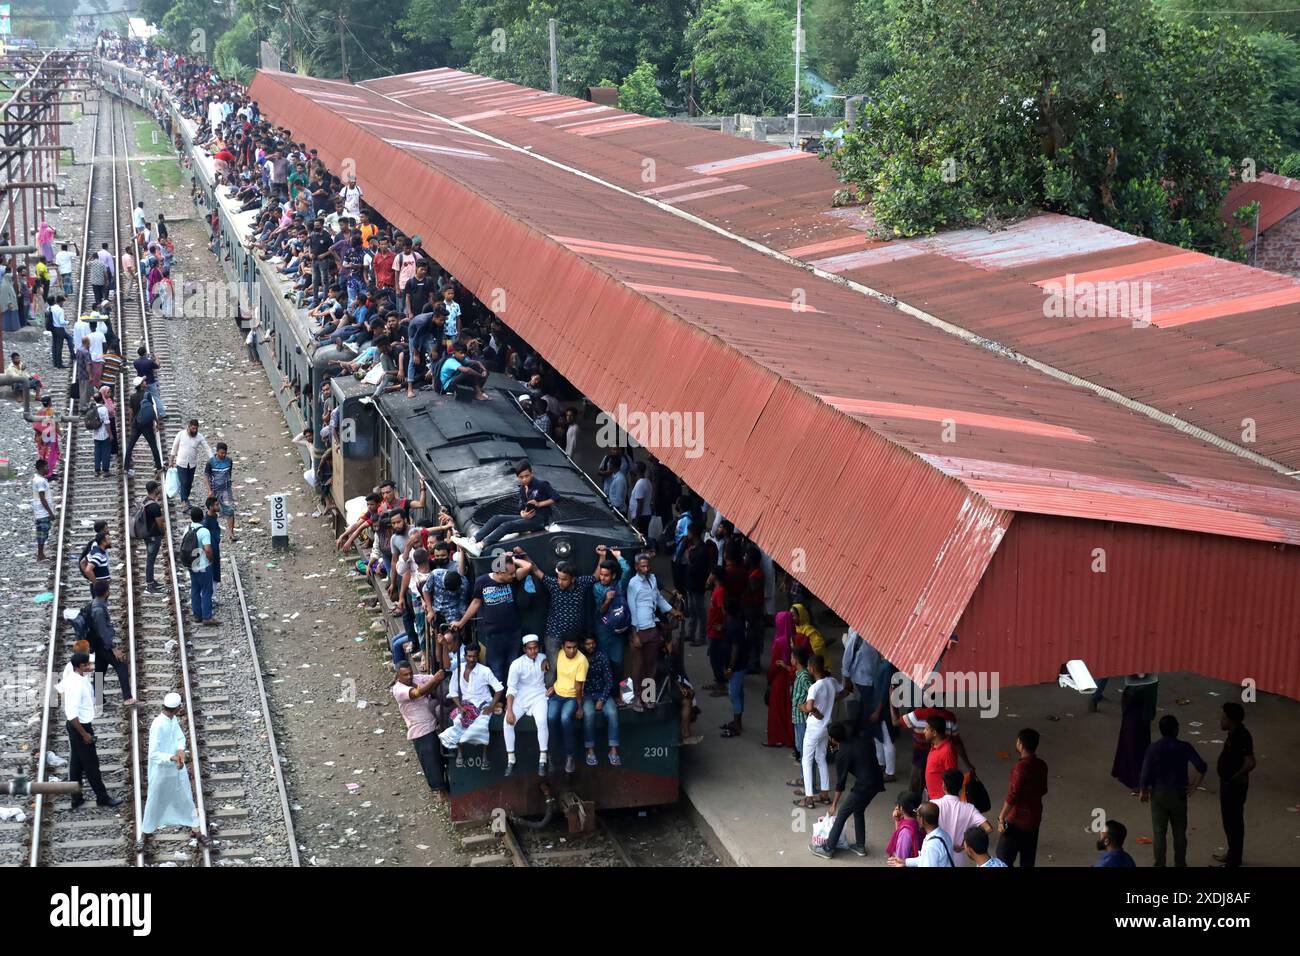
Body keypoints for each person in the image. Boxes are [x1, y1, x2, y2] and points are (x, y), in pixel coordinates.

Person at [451, 551, 533, 688]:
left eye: (514, 573)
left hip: (513, 632)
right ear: (500, 572)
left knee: (513, 666)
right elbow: (475, 603)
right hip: (494, 634)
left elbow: (528, 566)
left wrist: (512, 559)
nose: (514, 576)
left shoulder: (513, 579)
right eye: (510, 574)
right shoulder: (482, 581)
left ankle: (511, 696)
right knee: (496, 666)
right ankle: (498, 697)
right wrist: (461, 623)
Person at [1140, 714, 1207, 868]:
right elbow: (1202, 767)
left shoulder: (1153, 748)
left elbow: (1145, 772)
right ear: (1176, 730)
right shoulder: (1184, 747)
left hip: (1158, 794)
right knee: (1179, 834)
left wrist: (1143, 791)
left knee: (1159, 833)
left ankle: (1159, 864)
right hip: (1178, 794)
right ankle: (1180, 863)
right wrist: (1194, 786)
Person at [810, 721, 885, 859]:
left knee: (842, 813)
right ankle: (860, 846)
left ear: (832, 739)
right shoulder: (858, 740)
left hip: (865, 785)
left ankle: (828, 848)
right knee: (858, 810)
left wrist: (834, 805)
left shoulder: (843, 753)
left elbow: (841, 783)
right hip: (876, 781)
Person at [141, 693, 204, 842]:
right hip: (161, 772)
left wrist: (180, 749)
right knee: (154, 801)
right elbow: (153, 754)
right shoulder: (158, 724)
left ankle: (196, 829)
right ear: (176, 708)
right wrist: (172, 757)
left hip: (176, 770)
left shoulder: (172, 719)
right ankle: (145, 833)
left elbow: (179, 737)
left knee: (186, 798)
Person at [64, 652, 123, 809]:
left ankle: (76, 798)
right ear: (77, 667)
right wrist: (85, 734)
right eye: (85, 665)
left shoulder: (81, 678)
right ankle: (102, 797)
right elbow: (71, 715)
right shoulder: (75, 685)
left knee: (76, 765)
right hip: (80, 728)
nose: (89, 667)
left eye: (89, 664)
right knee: (91, 765)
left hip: (82, 725)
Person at [626, 551, 682, 712]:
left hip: (652, 628)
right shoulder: (633, 584)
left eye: (647, 566)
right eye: (642, 566)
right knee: (638, 666)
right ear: (636, 567)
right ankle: (637, 698)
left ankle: (648, 697)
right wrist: (634, 633)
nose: (646, 568)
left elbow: (658, 599)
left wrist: (672, 611)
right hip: (639, 630)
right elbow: (632, 609)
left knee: (651, 665)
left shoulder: (652, 579)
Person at [460, 461, 555, 551]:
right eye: (521, 477)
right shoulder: (522, 489)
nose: (524, 479)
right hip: (528, 518)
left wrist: (539, 504)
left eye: (527, 476)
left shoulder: (542, 484)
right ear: (518, 477)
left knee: (507, 526)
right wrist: (522, 514)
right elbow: (521, 506)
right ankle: (474, 540)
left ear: (531, 473)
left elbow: (556, 498)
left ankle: (480, 546)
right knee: (497, 518)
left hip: (540, 520)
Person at [439, 643, 504, 767]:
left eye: (474, 656)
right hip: (466, 704)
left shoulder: (485, 671)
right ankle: (460, 751)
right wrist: (460, 707)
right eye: (469, 656)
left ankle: (484, 755)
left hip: (483, 703)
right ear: (465, 656)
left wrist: (491, 707)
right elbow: (453, 692)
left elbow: (499, 689)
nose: (471, 659)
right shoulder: (458, 670)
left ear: (477, 656)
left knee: (483, 723)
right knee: (458, 720)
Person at [392, 660, 449, 800]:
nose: (409, 676)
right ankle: (441, 792)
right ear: (398, 676)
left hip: (434, 723)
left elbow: (435, 678)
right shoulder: (398, 690)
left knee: (441, 758)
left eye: (410, 673)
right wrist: (434, 680)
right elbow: (417, 693)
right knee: (431, 762)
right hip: (420, 729)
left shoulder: (417, 678)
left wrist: (436, 678)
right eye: (405, 675)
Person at [995, 727, 1048, 867]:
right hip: (1034, 820)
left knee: (1003, 858)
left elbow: (1012, 796)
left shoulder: (1020, 768)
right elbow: (1043, 790)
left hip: (1016, 821)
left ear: (1020, 743)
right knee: (1027, 860)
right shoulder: (1042, 765)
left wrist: (1001, 818)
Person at [1215, 702, 1255, 868]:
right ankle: (1232, 853)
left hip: (1234, 786)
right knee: (1228, 821)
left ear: (1231, 719)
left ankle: (1233, 860)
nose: (1221, 719)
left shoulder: (1242, 736)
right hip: (1227, 784)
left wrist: (1236, 776)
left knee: (1234, 822)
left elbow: (1250, 761)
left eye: (1223, 716)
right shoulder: (1233, 734)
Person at [504, 635, 550, 777]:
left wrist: (548, 660)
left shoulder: (543, 657)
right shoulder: (516, 664)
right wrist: (510, 710)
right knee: (507, 723)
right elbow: (511, 689)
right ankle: (511, 760)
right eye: (529, 648)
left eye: (535, 647)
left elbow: (553, 661)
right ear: (524, 649)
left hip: (539, 696)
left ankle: (543, 759)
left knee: (542, 721)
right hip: (521, 698)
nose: (533, 651)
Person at [796, 654, 838, 809]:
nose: (808, 668)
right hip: (826, 727)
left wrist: (806, 708)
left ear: (812, 669)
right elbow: (845, 691)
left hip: (814, 728)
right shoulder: (831, 682)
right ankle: (825, 794)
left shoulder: (815, 687)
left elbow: (808, 706)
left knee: (806, 760)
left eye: (808, 666)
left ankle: (809, 798)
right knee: (821, 758)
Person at [87, 579, 137, 707]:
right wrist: (113, 648)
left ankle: (98, 698)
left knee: (100, 669)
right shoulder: (98, 609)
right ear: (106, 592)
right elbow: (103, 631)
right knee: (121, 664)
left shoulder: (97, 603)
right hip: (103, 644)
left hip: (98, 644)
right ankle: (127, 697)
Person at [1112, 673, 1159, 792]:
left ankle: (1125, 773)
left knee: (1128, 743)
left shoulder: (1133, 680)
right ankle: (1138, 781)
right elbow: (1149, 702)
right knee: (1138, 748)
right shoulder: (1150, 681)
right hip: (1139, 717)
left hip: (1131, 714)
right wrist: (1149, 717)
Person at [935, 768, 991, 866]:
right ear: (961, 787)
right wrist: (965, 843)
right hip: (958, 861)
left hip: (937, 858)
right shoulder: (969, 809)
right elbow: (988, 828)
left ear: (943, 785)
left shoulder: (933, 805)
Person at [547, 636, 587, 774]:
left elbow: (579, 688)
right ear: (563, 647)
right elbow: (555, 671)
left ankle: (570, 756)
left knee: (565, 718)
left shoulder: (582, 660)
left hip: (571, 697)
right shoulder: (559, 654)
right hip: (557, 694)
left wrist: (580, 707)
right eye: (568, 647)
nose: (571, 650)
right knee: (551, 717)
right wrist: (552, 686)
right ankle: (551, 755)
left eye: (574, 647)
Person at [581, 635, 620, 767]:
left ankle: (613, 749)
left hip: (602, 692)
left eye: (592, 643)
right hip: (586, 695)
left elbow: (609, 681)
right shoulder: (580, 658)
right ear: (583, 645)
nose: (590, 646)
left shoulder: (602, 657)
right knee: (589, 714)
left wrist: (602, 699)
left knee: (612, 713)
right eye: (587, 644)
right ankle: (590, 750)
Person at [888, 802, 955, 867]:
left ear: (922, 819)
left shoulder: (931, 846)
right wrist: (905, 862)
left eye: (917, 815)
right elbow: (924, 858)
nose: (916, 818)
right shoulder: (944, 835)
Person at [764, 608, 794, 748]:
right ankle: (788, 736)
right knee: (786, 708)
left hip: (779, 678)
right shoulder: (793, 638)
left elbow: (774, 664)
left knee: (776, 709)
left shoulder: (780, 641)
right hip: (789, 676)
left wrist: (769, 678)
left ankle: (776, 737)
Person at [185, 506, 218, 627]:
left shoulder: (188, 528)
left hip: (191, 564)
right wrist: (211, 561)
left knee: (195, 588)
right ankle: (207, 617)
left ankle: (197, 615)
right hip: (202, 565)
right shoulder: (204, 531)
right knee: (206, 591)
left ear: (191, 518)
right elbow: (208, 550)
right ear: (202, 517)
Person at [719, 598, 748, 737]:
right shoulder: (734, 622)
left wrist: (730, 667)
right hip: (740, 664)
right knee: (738, 693)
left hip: (736, 666)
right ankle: (737, 721)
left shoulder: (733, 625)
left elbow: (735, 647)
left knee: (734, 694)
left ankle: (737, 725)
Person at [170, 419, 213, 509]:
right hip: (181, 463)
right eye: (193, 428)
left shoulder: (199, 437)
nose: (195, 431)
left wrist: (212, 459)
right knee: (184, 482)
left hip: (192, 464)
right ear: (188, 427)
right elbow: (174, 446)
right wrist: (171, 460)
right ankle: (183, 502)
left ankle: (186, 499)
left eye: (196, 429)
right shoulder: (181, 434)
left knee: (189, 483)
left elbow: (207, 448)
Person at [125, 376, 164, 476]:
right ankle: (159, 467)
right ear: (141, 385)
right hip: (147, 424)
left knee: (130, 446)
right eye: (143, 381)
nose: (145, 382)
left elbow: (131, 412)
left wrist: (130, 424)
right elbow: (152, 410)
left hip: (137, 424)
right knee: (153, 446)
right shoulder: (148, 395)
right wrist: (156, 422)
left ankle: (126, 468)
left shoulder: (132, 397)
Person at [205, 442, 237, 541]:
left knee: (230, 510)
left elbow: (229, 473)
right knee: (212, 511)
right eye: (221, 453)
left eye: (225, 453)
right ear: (217, 451)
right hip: (214, 490)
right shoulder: (210, 462)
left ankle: (231, 533)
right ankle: (211, 531)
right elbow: (206, 476)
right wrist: (209, 490)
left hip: (226, 490)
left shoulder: (229, 461)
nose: (223, 455)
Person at [141, 480, 166, 592]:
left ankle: (151, 581)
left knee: (150, 559)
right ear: (155, 490)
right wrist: (163, 532)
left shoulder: (144, 501)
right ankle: (150, 585)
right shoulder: (154, 506)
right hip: (153, 536)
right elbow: (159, 523)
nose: (159, 489)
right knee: (150, 560)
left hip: (146, 534)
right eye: (158, 488)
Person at [886, 791, 922, 862]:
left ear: (901, 808)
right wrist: (897, 820)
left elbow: (901, 858)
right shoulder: (920, 821)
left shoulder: (905, 831)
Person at [32, 459, 55, 562]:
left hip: (41, 512)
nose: (48, 468)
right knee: (42, 533)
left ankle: (41, 554)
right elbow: (42, 498)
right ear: (41, 468)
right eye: (46, 467)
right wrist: (50, 512)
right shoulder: (40, 481)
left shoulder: (40, 479)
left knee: (43, 533)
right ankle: (40, 555)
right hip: (42, 512)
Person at [33, 395, 60, 479]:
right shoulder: (54, 411)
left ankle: (44, 472)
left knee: (43, 454)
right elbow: (56, 425)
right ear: (50, 402)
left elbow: (35, 425)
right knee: (51, 454)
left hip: (40, 436)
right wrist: (61, 434)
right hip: (50, 435)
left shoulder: (38, 412)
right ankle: (49, 473)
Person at [91, 392, 112, 478]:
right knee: (105, 452)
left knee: (97, 452)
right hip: (104, 434)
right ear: (102, 399)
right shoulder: (103, 409)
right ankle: (105, 470)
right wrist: (110, 434)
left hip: (96, 434)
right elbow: (107, 423)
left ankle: (97, 470)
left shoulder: (93, 408)